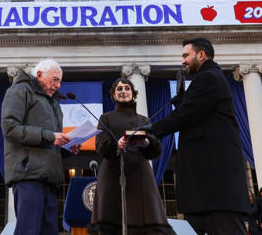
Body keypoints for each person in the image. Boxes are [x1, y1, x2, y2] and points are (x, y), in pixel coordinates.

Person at [149, 38, 250, 235]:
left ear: (201, 55)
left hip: (217, 192)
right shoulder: (206, 79)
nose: (183, 61)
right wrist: (182, 99)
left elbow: (185, 115)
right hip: (205, 193)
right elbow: (194, 116)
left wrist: (149, 131)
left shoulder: (209, 78)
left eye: (186, 55)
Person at [1, 58, 80, 235]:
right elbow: (10, 128)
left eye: (60, 81)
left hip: (50, 177)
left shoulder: (54, 102)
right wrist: (50, 136)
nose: (58, 85)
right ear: (39, 75)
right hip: (28, 174)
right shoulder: (20, 90)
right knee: (28, 231)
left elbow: (49, 142)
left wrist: (67, 148)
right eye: (55, 80)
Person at [88, 77, 174, 235]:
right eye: (119, 89)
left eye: (127, 88)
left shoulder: (143, 119)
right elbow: (100, 145)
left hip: (140, 175)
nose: (123, 91)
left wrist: (147, 142)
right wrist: (117, 145)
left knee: (144, 218)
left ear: (133, 93)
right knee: (112, 221)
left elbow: (155, 150)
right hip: (113, 175)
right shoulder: (106, 118)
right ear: (113, 95)